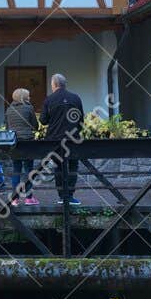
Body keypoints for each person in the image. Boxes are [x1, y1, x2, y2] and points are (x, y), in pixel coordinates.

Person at [42, 73, 84, 207]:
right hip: (72, 138)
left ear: (54, 84)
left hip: (54, 139)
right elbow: (81, 120)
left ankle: (62, 196)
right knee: (73, 166)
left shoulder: (49, 99)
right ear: (65, 84)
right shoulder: (75, 98)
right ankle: (70, 196)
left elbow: (43, 120)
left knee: (58, 167)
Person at [5, 87, 39, 206]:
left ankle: (14, 199)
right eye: (28, 96)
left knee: (16, 170)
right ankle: (29, 198)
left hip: (14, 143)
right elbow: (35, 126)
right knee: (29, 170)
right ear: (24, 97)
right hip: (27, 142)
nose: (29, 97)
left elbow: (7, 128)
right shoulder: (29, 108)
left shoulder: (9, 109)